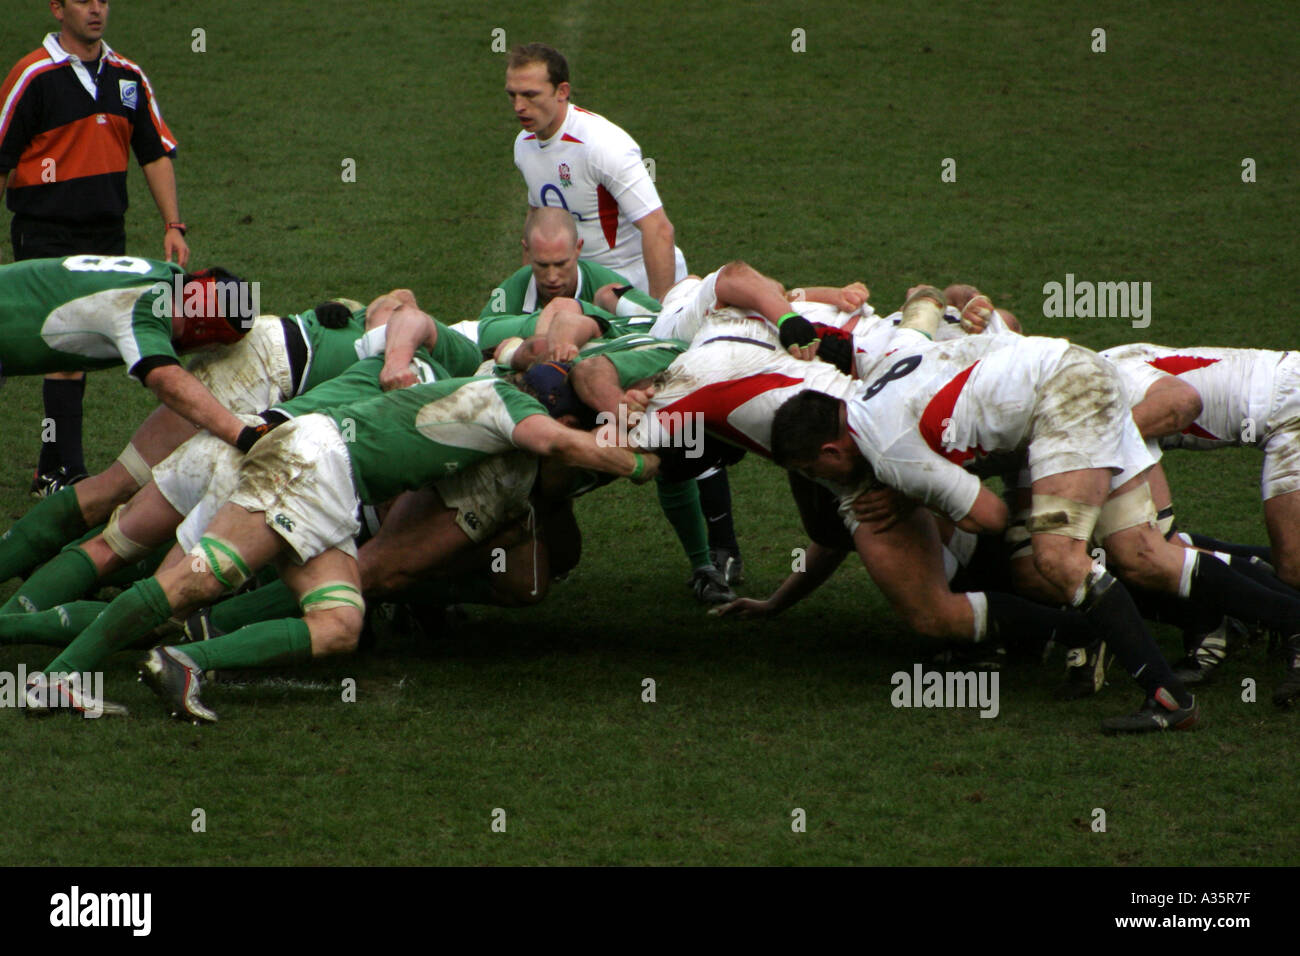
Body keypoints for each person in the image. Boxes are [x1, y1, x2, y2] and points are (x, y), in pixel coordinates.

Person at [1, 0, 189, 495]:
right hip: (45, 231)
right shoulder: (33, 75)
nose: (96, 9)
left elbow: (154, 153)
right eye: (83, 1)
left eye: (102, 0)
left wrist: (173, 224)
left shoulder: (128, 76)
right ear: (57, 8)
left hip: (105, 236)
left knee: (78, 347)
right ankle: (64, 471)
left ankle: (54, 469)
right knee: (57, 346)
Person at [506, 43, 684, 299]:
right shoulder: (524, 145)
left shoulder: (602, 145)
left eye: (530, 95)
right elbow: (536, 220)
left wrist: (660, 311)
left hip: (636, 283)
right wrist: (529, 300)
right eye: (512, 95)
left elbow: (659, 229)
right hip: (581, 286)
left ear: (562, 91)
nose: (518, 106)